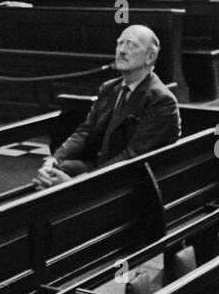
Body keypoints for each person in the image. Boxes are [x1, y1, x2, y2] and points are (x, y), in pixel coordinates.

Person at [34, 25, 179, 188]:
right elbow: (85, 131)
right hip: (102, 165)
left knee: (56, 189)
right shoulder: (110, 88)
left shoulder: (161, 100)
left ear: (150, 56)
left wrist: (79, 183)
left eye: (131, 45)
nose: (122, 51)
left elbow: (132, 156)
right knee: (53, 174)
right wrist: (55, 159)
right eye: (120, 43)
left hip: (134, 181)